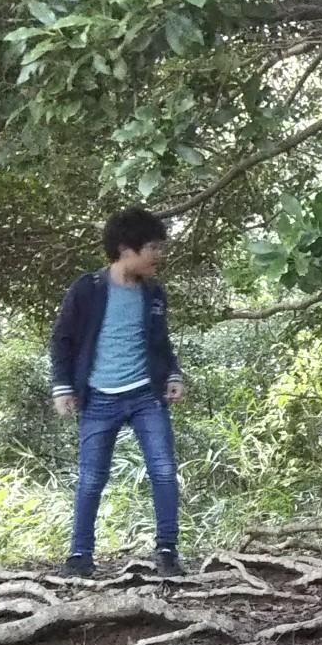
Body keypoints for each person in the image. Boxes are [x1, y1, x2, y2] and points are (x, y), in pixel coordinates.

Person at [49, 206, 186, 578]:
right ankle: (80, 557)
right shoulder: (87, 289)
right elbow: (62, 340)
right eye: (153, 247)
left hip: (145, 395)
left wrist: (173, 374)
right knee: (92, 477)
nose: (159, 255)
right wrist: (63, 388)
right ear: (128, 249)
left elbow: (161, 342)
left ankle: (168, 552)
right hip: (98, 398)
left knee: (163, 470)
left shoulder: (153, 293)